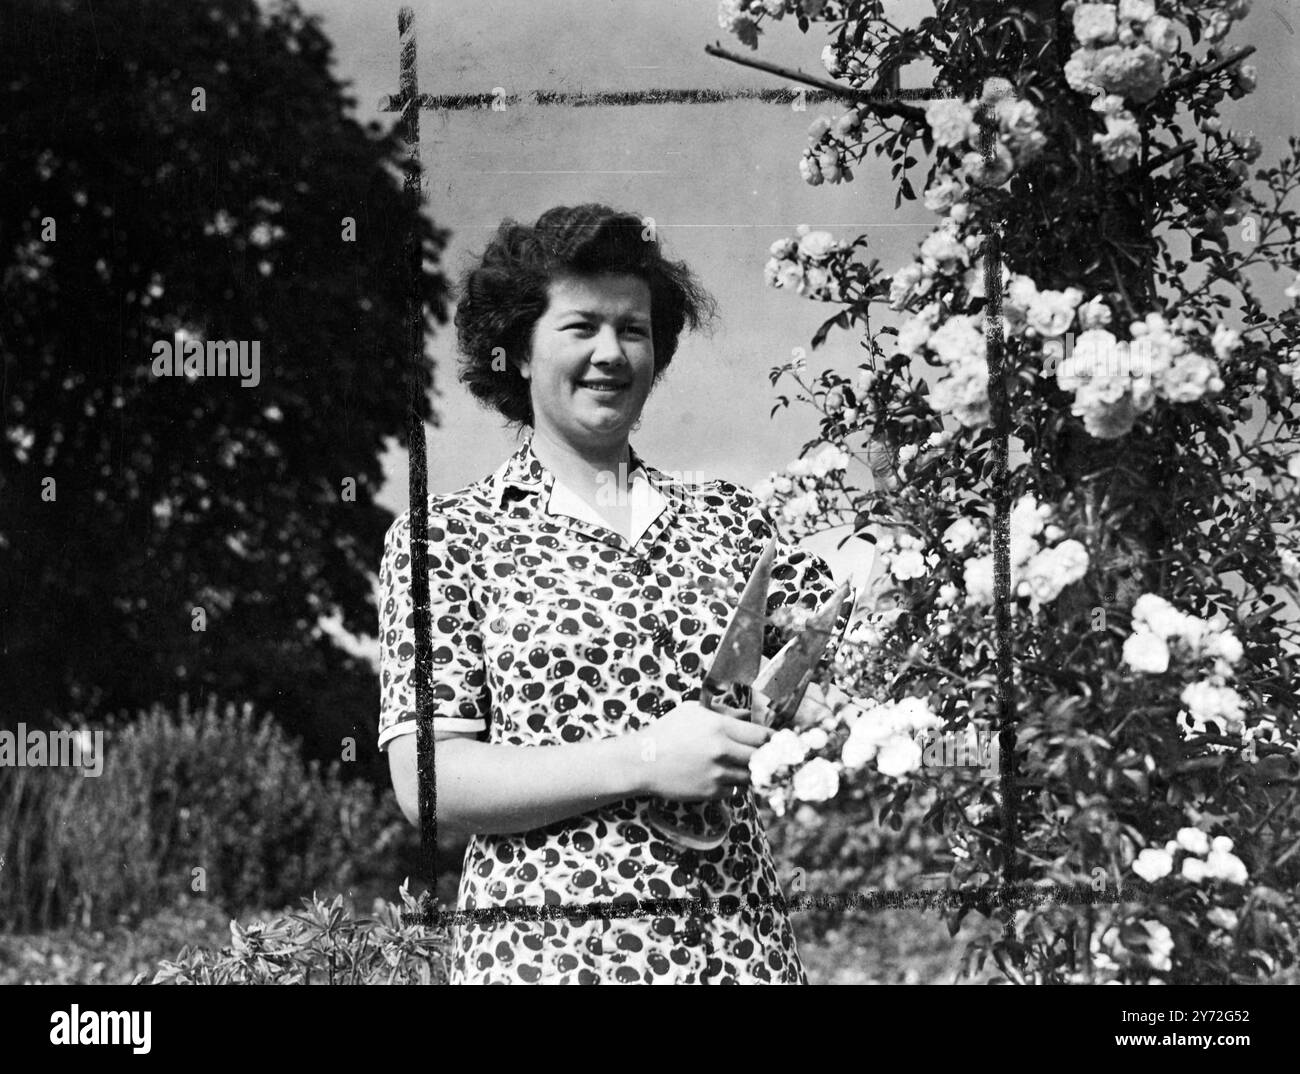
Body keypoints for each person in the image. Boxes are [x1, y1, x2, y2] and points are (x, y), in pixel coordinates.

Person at [379, 203, 845, 984]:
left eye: (633, 330)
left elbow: (841, 665)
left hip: (737, 951)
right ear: (519, 354)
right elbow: (429, 780)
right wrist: (643, 759)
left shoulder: (733, 518)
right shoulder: (445, 541)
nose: (611, 353)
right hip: (546, 958)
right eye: (580, 327)